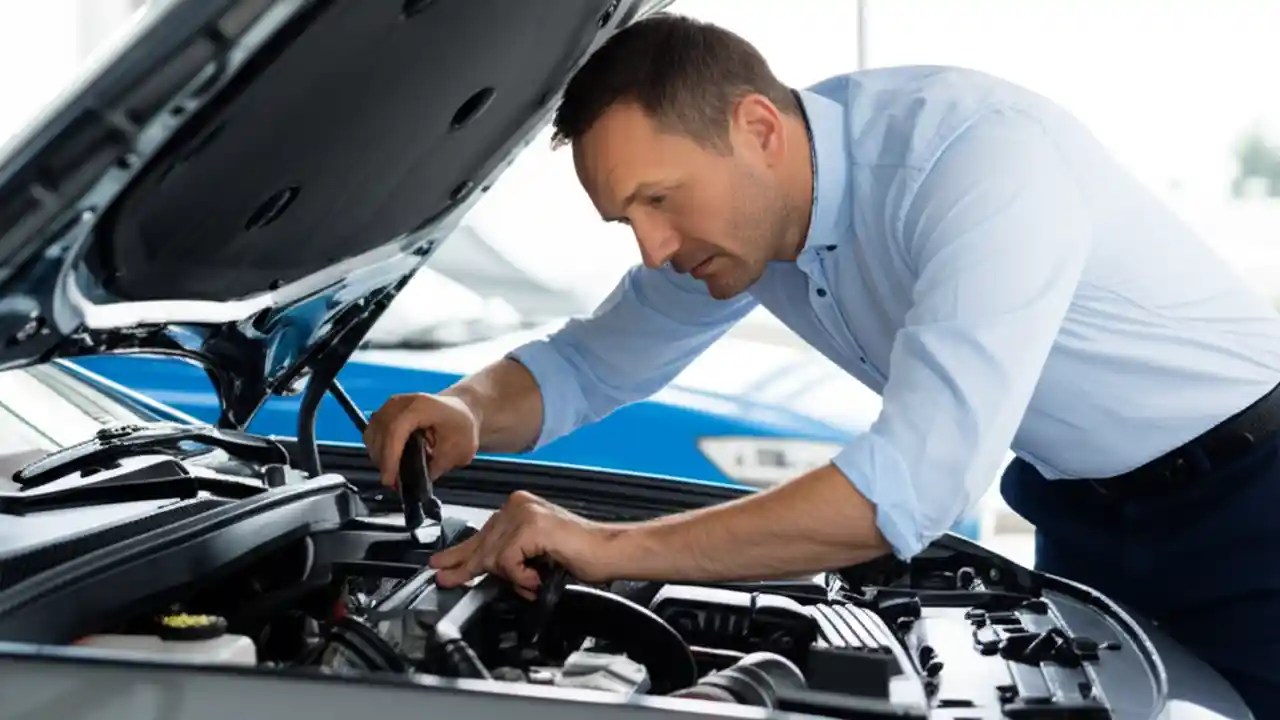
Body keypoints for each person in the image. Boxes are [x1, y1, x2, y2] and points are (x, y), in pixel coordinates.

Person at [363, 14, 1280, 712]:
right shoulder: (734, 232)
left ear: (758, 129)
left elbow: (907, 487)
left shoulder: (976, 162)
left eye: (658, 200)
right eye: (626, 219)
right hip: (1088, 516)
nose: (650, 247)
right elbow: (587, 366)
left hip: (1257, 502)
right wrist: (469, 409)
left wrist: (608, 548)